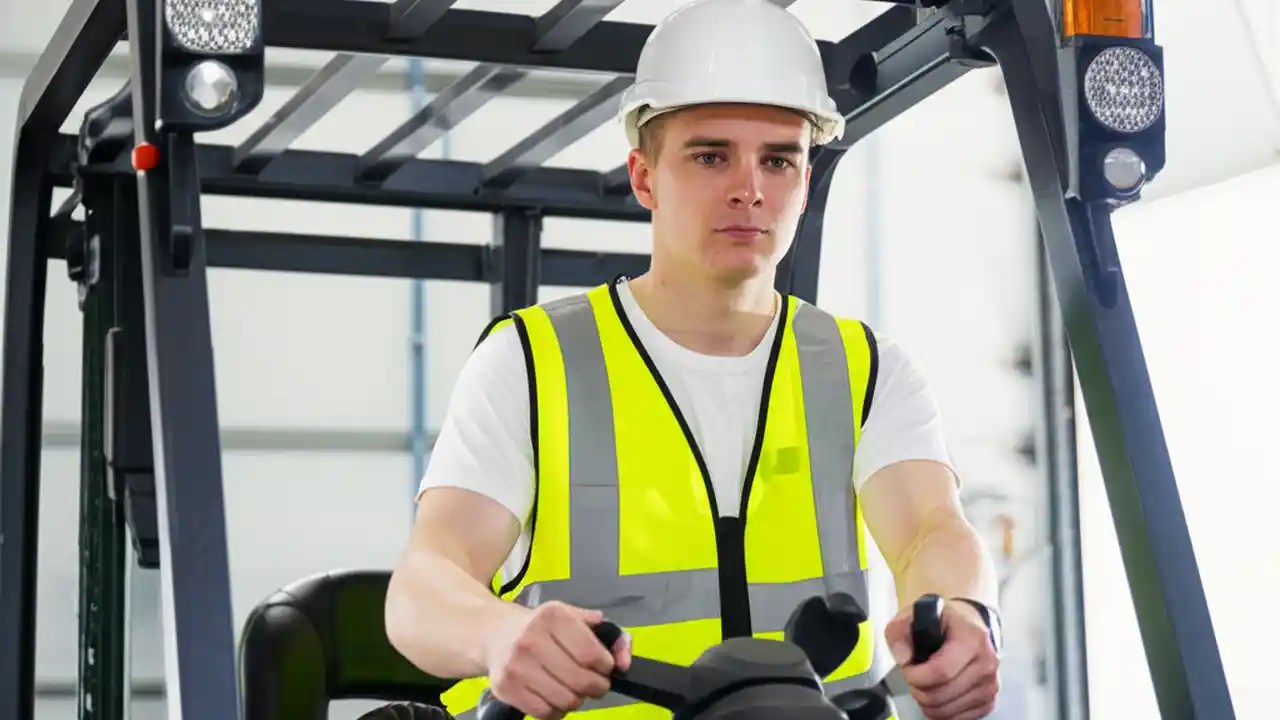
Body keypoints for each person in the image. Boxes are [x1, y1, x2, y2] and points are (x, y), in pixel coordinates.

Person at [385, 1, 1003, 719]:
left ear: (806, 181)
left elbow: (933, 528)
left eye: (779, 159)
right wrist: (499, 634)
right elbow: (424, 582)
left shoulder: (867, 369)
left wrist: (964, 610)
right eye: (711, 156)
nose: (750, 188)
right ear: (644, 178)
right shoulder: (529, 362)